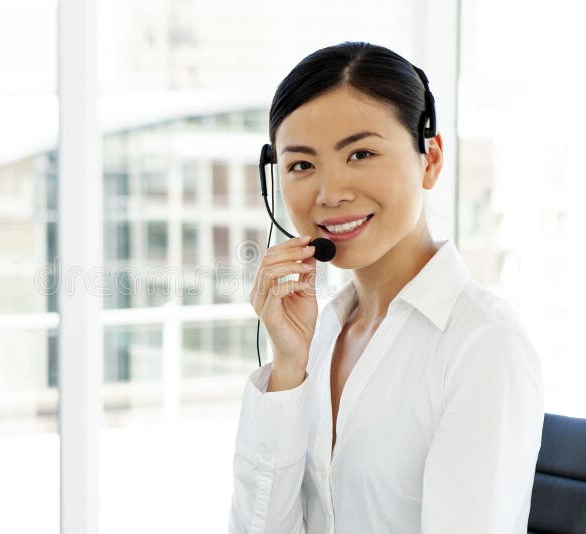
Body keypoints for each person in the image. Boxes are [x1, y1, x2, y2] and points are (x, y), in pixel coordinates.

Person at [229, 41, 544, 533]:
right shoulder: (319, 337)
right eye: (302, 165)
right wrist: (287, 369)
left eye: (361, 153)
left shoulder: (482, 342)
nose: (331, 193)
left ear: (430, 159)